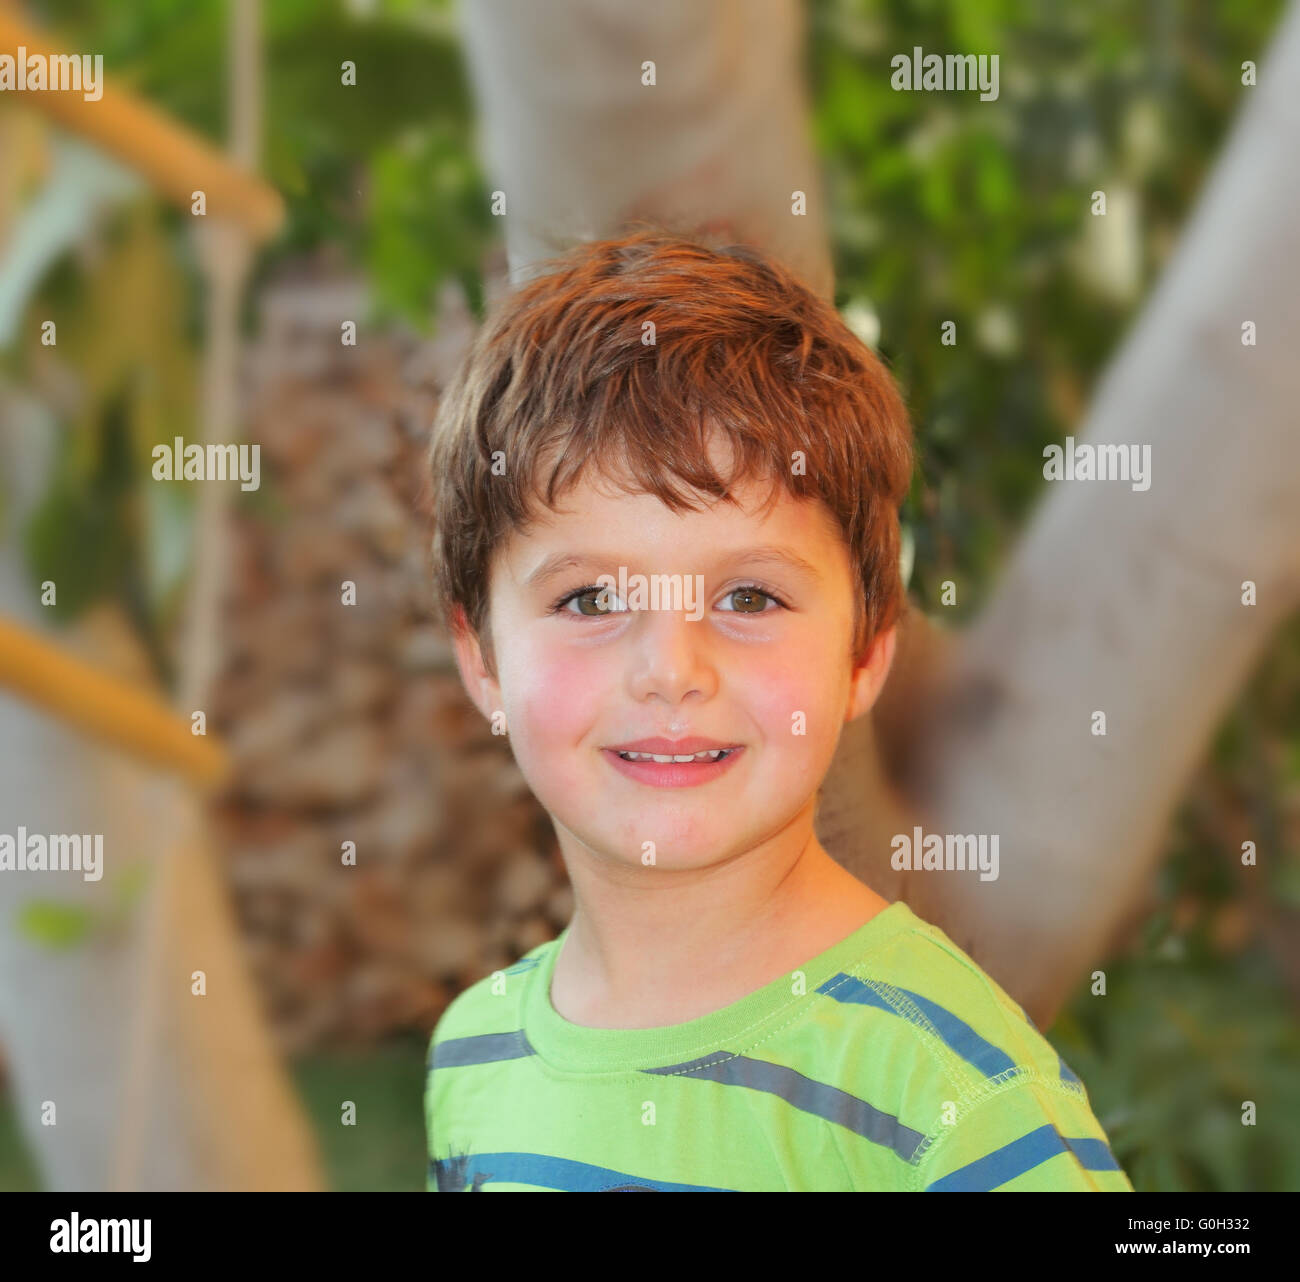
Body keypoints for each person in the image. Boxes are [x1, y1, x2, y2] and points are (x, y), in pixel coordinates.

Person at [422, 226, 1133, 1191]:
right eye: (589, 600)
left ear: (867, 651)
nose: (672, 671)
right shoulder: (474, 1054)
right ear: (482, 660)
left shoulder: (950, 1099)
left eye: (748, 597)